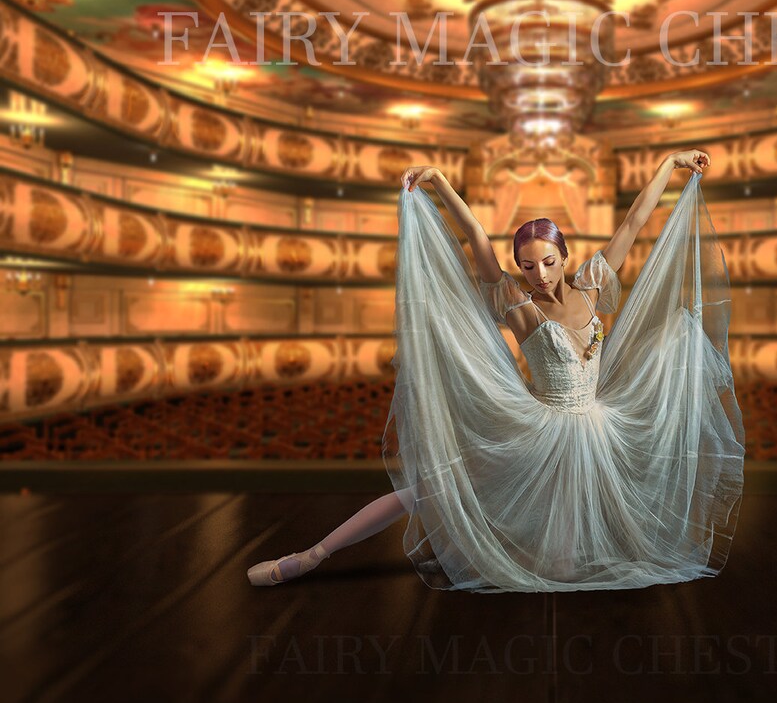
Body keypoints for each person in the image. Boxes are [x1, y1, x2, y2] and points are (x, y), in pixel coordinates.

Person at [248, 149, 745, 592]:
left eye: (548, 262)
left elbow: (636, 221)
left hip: (596, 427)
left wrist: (672, 163)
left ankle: (512, 553)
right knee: (427, 488)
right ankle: (310, 556)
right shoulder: (522, 308)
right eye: (528, 267)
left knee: (566, 564)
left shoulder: (593, 287)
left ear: (565, 256)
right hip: (538, 426)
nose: (540, 274)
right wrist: (439, 181)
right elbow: (476, 237)